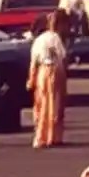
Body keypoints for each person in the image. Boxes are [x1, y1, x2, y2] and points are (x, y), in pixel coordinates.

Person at [27, 11, 68, 148]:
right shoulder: (54, 38)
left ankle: (40, 136)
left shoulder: (38, 41)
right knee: (54, 104)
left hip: (41, 72)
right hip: (54, 70)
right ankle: (53, 136)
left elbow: (33, 62)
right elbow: (62, 55)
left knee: (41, 103)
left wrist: (31, 80)